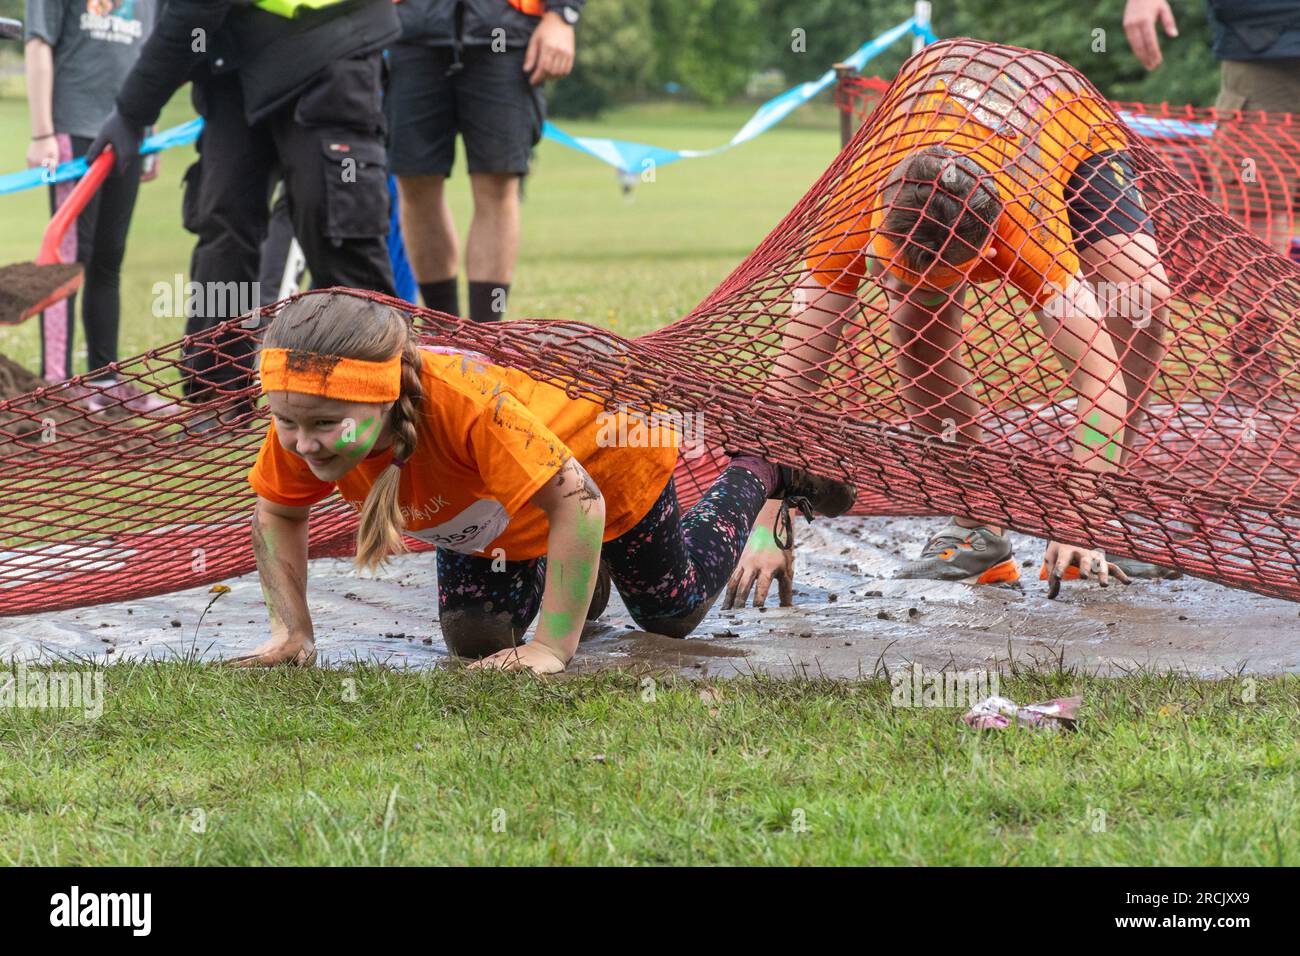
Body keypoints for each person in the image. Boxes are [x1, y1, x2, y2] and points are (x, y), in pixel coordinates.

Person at [726, 39, 1175, 607]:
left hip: (1058, 113)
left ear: (990, 248)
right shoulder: (851, 205)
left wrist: (1076, 514)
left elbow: (1096, 377)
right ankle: (975, 521)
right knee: (915, 328)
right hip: (939, 105)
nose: (922, 282)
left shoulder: (1029, 223)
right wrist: (769, 524)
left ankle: (1105, 505)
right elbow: (788, 390)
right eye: (904, 268)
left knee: (1141, 294)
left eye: (943, 274)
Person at [237, 291, 855, 673]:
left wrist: (552, 648)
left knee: (671, 613)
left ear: (385, 399)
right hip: (507, 517)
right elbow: (278, 514)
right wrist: (291, 631)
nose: (302, 442)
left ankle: (764, 465)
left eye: (322, 425)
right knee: (479, 642)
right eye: (285, 421)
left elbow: (581, 505)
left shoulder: (471, 410)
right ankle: (586, 577)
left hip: (609, 462)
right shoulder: (305, 416)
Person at [87, 0, 402, 427]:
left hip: (329, 40)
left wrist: (132, 110)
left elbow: (192, 11)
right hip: (232, 60)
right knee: (223, 222)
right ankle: (215, 401)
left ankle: (383, 395)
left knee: (335, 223)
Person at [387, 0, 581, 322]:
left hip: (506, 28)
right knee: (414, 180)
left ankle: (486, 339)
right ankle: (442, 332)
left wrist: (562, 14)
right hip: (410, 28)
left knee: (498, 181)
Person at [23, 0, 170, 412]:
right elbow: (38, 45)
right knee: (68, 261)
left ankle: (105, 381)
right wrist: (42, 134)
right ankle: (55, 388)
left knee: (109, 258)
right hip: (72, 136)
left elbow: (151, 56)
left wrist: (150, 132)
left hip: (127, 136)